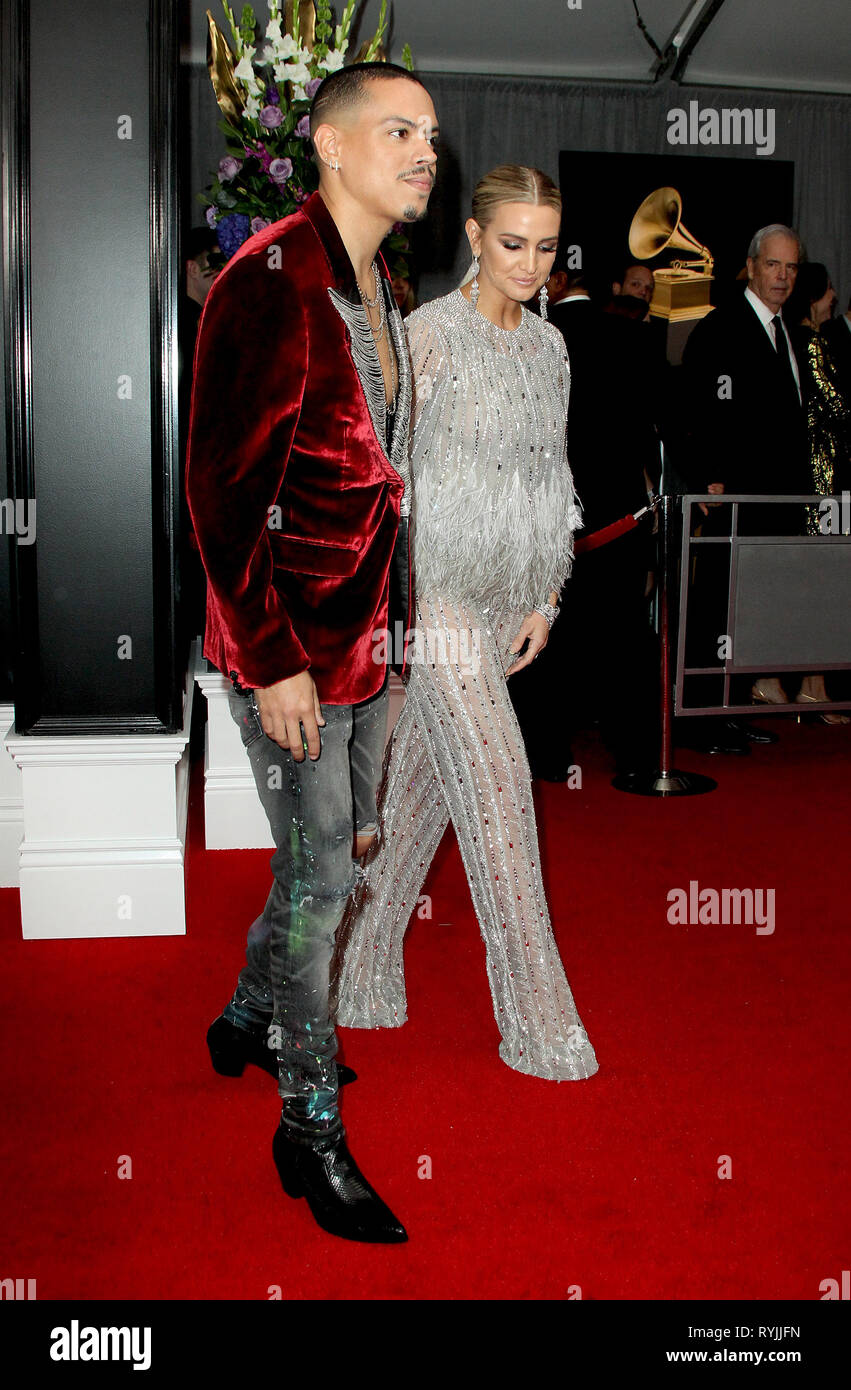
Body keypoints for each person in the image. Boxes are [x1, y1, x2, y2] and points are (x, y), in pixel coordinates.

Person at [185, 61, 439, 1244]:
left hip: (367, 640)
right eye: (398, 131)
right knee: (325, 879)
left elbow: (376, 475)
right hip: (288, 649)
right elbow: (221, 493)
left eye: (430, 135)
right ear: (329, 146)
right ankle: (308, 1128)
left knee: (319, 869)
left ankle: (245, 1019)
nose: (423, 152)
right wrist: (272, 654)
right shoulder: (268, 277)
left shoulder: (379, 279)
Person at [333, 166, 599, 1085]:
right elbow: (385, 488)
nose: (529, 264)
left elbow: (549, 479)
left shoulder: (551, 350)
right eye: (512, 243)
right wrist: (391, 634)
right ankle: (538, 1023)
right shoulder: (426, 340)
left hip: (503, 600)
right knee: (500, 791)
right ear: (475, 240)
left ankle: (361, 972)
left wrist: (544, 596)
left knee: (418, 803)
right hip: (436, 599)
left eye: (546, 247)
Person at [510, 256, 660, 780]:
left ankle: (546, 755)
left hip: (550, 517)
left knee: (545, 635)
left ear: (557, 282)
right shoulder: (635, 339)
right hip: (619, 515)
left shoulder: (532, 337)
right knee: (622, 636)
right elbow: (652, 433)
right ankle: (636, 755)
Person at [678, 224, 810, 752]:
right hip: (732, 497)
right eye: (773, 265)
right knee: (714, 607)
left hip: (777, 499)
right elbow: (691, 410)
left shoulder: (791, 333)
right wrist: (706, 477)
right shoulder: (720, 328)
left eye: (792, 267)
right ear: (751, 267)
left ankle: (727, 711)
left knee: (748, 610)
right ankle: (696, 720)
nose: (782, 276)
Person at [786, 262, 851, 722]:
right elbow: (837, 406)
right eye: (829, 291)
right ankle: (812, 687)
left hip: (820, 478)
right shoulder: (810, 343)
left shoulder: (804, 339)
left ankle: (810, 685)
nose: (833, 299)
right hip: (821, 482)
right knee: (818, 583)